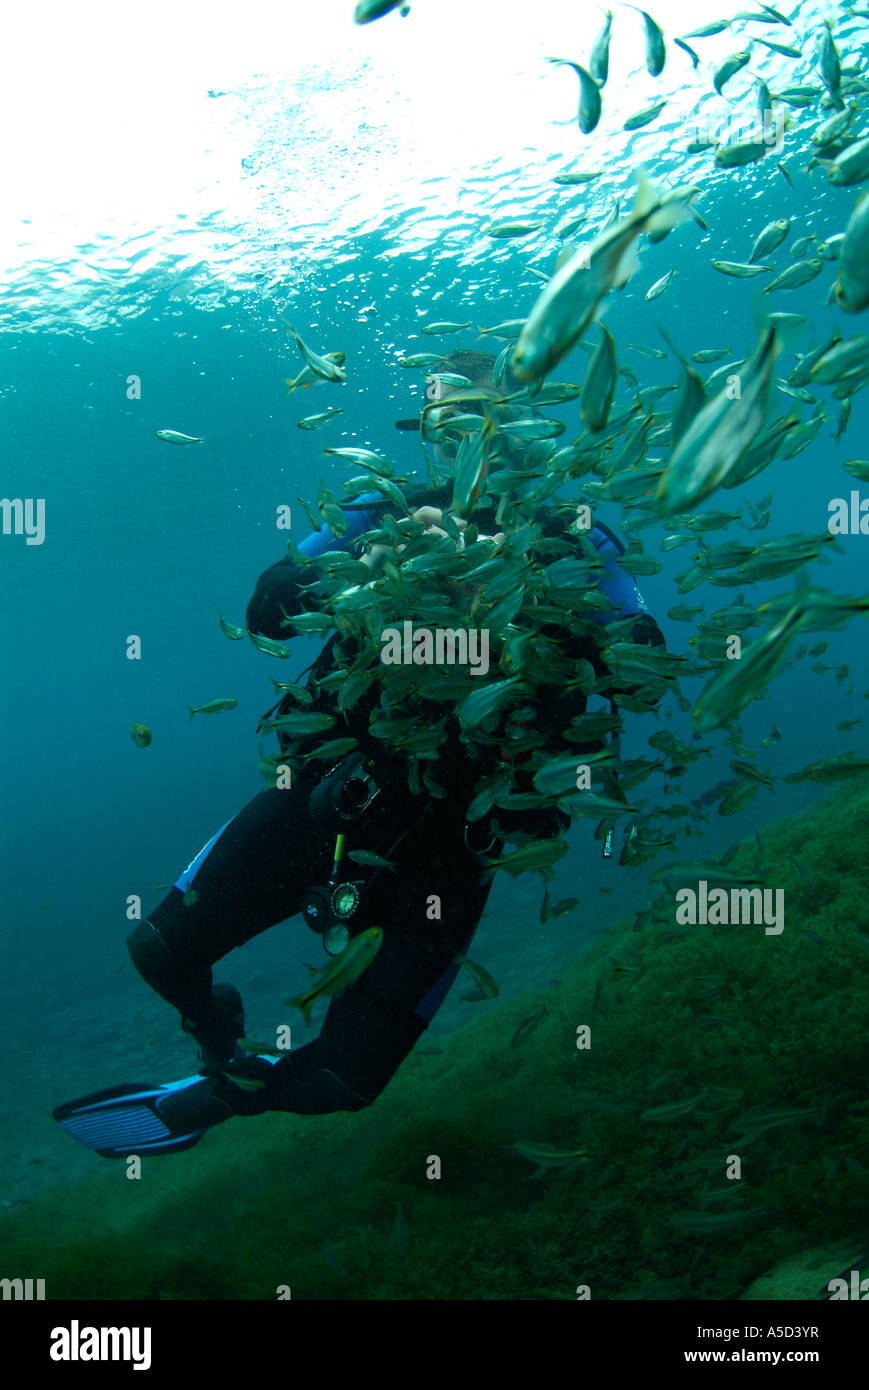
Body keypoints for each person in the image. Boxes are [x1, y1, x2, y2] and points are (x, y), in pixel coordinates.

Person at [71, 349, 666, 1154]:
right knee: (159, 953)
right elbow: (268, 606)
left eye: (488, 420)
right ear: (424, 434)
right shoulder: (376, 509)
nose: (467, 439)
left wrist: (534, 609)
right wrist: (371, 571)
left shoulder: (572, 540)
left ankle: (221, 1097)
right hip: (328, 796)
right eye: (447, 422)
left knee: (341, 1083)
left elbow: (644, 667)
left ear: (524, 431)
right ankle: (218, 1037)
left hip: (458, 842)